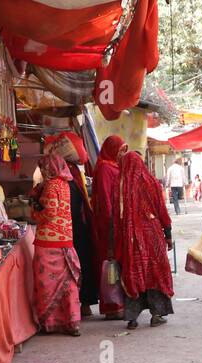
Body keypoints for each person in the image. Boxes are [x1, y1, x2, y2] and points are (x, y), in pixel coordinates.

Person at [117, 150, 174, 329]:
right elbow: (161, 210)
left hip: (132, 238)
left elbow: (115, 217)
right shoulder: (151, 182)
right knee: (155, 272)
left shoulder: (121, 185)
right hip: (153, 236)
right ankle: (157, 314)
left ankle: (132, 318)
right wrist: (168, 233)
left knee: (133, 272)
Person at [29, 153, 82, 337]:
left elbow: (49, 213)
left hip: (48, 243)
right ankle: (72, 321)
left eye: (43, 167)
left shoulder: (51, 186)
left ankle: (50, 323)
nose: (41, 171)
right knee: (67, 284)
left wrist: (34, 213)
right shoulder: (65, 184)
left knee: (47, 284)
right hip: (65, 239)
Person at [49, 133, 100, 318]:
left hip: (70, 230)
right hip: (79, 227)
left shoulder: (61, 177)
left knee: (73, 268)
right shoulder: (73, 174)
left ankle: (76, 306)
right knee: (82, 264)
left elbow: (53, 209)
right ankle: (84, 304)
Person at [92, 135, 127, 320]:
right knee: (110, 263)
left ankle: (117, 303)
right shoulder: (106, 168)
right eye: (120, 150)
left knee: (114, 264)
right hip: (109, 223)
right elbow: (105, 199)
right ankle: (112, 306)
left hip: (114, 220)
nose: (122, 154)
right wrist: (111, 223)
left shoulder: (111, 165)